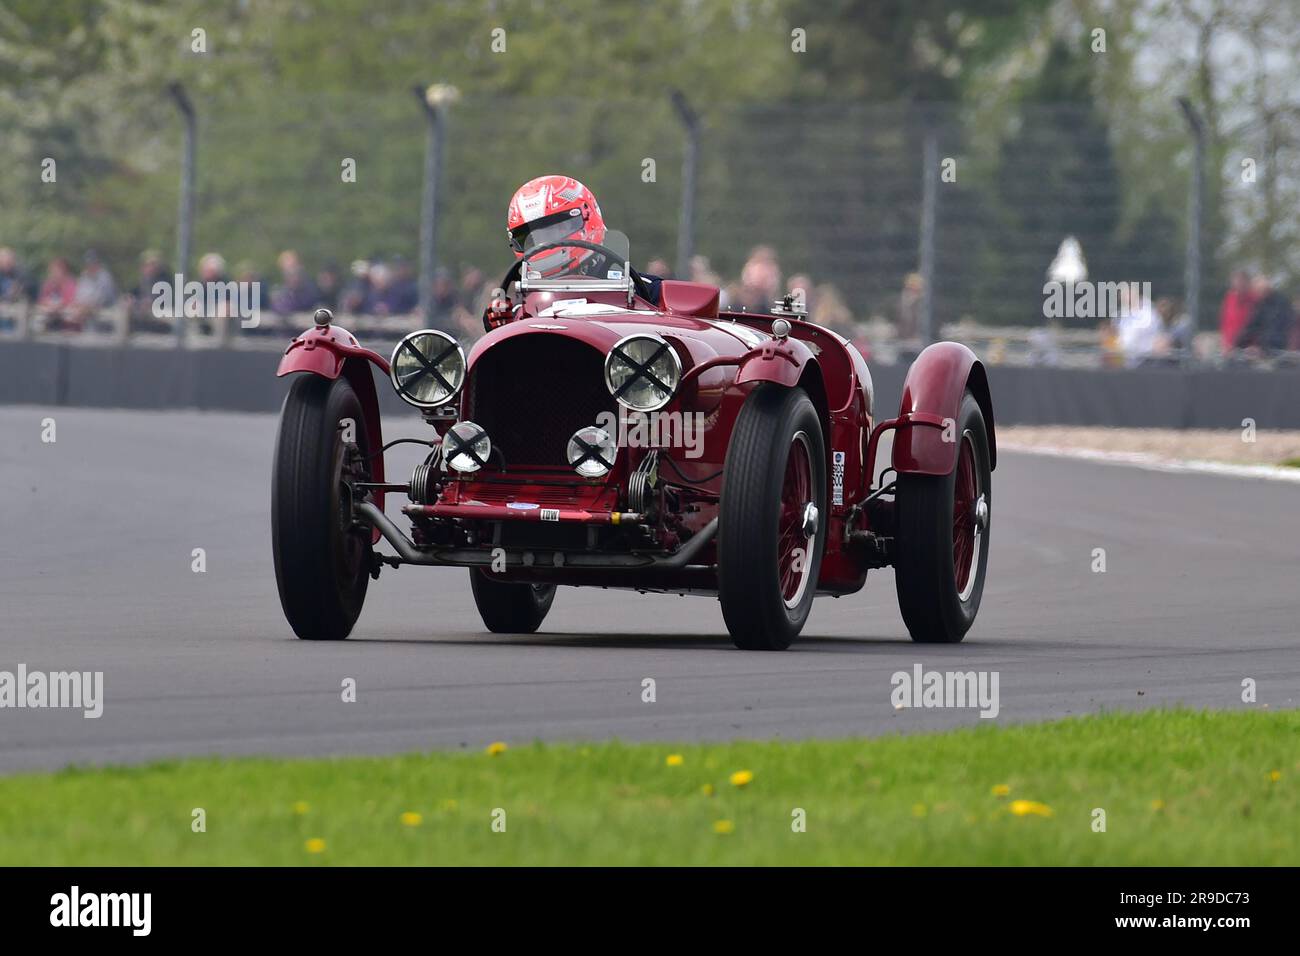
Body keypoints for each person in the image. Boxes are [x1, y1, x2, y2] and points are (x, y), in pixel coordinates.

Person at [486, 175, 660, 328]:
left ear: (587, 216)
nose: (547, 243)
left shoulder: (644, 289)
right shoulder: (520, 309)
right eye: (534, 238)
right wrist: (498, 322)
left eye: (559, 229)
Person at [1236, 274, 1295, 356]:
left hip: (1280, 350)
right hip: (1266, 348)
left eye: (1259, 291)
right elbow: (1252, 325)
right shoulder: (1261, 303)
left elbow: (1278, 329)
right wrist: (1238, 345)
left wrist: (1262, 348)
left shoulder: (1281, 303)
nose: (1257, 294)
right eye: (1256, 291)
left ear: (1267, 289)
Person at [1218, 269, 1257, 355]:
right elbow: (1224, 322)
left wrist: (1255, 344)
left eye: (1242, 281)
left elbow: (1258, 324)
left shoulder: (1255, 299)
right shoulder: (1229, 298)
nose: (1239, 284)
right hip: (1230, 346)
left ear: (1248, 282)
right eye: (1236, 281)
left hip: (1248, 347)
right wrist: (1225, 343)